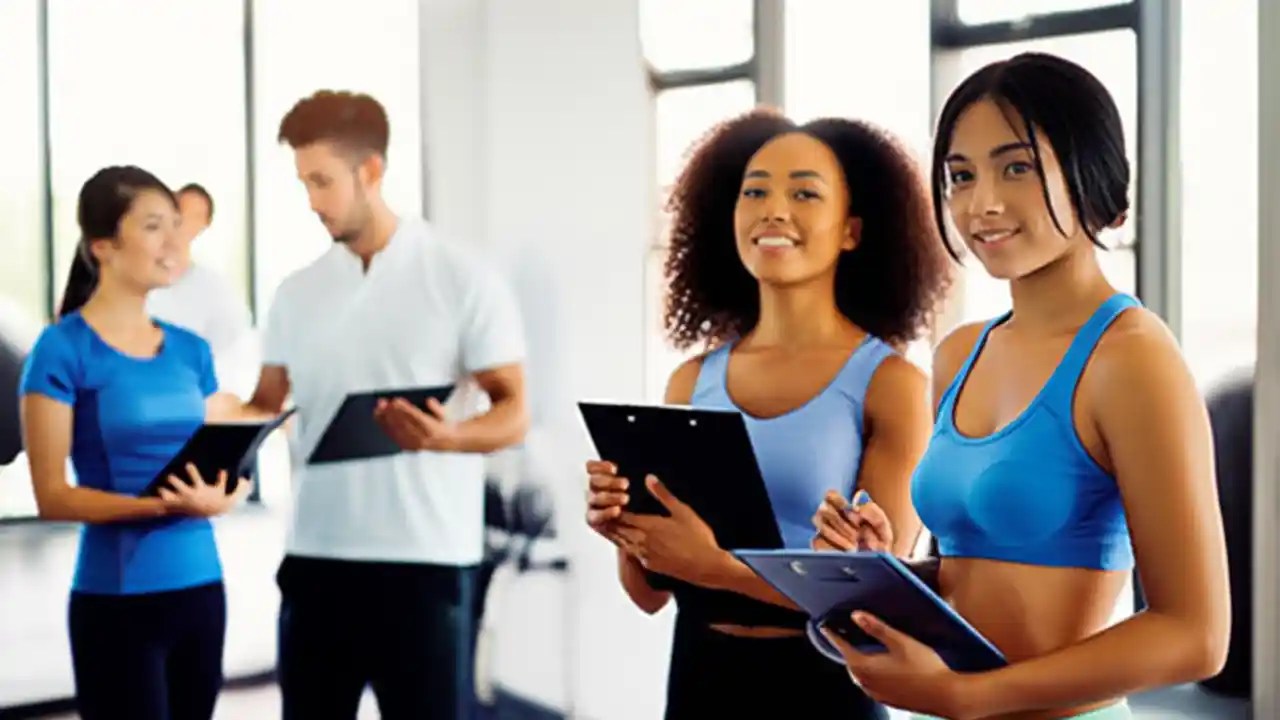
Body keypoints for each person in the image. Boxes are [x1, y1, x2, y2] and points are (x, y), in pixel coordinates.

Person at [813, 52, 1231, 720]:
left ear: (1089, 174)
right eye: (960, 175)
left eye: (1018, 167)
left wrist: (967, 696)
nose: (983, 203)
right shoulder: (959, 354)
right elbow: (969, 576)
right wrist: (881, 572)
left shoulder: (1132, 359)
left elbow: (1197, 635)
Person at [585, 107, 953, 718]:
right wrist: (626, 532)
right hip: (700, 678)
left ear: (851, 231)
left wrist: (718, 567)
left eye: (805, 193)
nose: (773, 209)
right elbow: (650, 596)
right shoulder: (691, 381)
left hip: (828, 687)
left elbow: (879, 598)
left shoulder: (891, 385)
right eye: (754, 191)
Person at [237, 90, 529, 720]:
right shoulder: (296, 292)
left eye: (322, 181)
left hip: (424, 567)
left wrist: (443, 437)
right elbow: (264, 405)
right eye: (303, 183)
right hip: (316, 561)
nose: (311, 201)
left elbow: (514, 411)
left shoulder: (462, 278)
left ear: (370, 171)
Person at [17, 166, 255, 720]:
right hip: (118, 604)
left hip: (201, 591)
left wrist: (226, 496)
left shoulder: (192, 351)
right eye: (154, 226)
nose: (175, 243)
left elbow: (225, 464)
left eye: (177, 225)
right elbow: (53, 495)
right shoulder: (60, 350)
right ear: (103, 246)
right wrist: (163, 505)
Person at [146, 182, 253, 395]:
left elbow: (228, 353)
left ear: (205, 224)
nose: (183, 222)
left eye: (194, 216)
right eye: (179, 211)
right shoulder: (140, 277)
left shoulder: (216, 290)